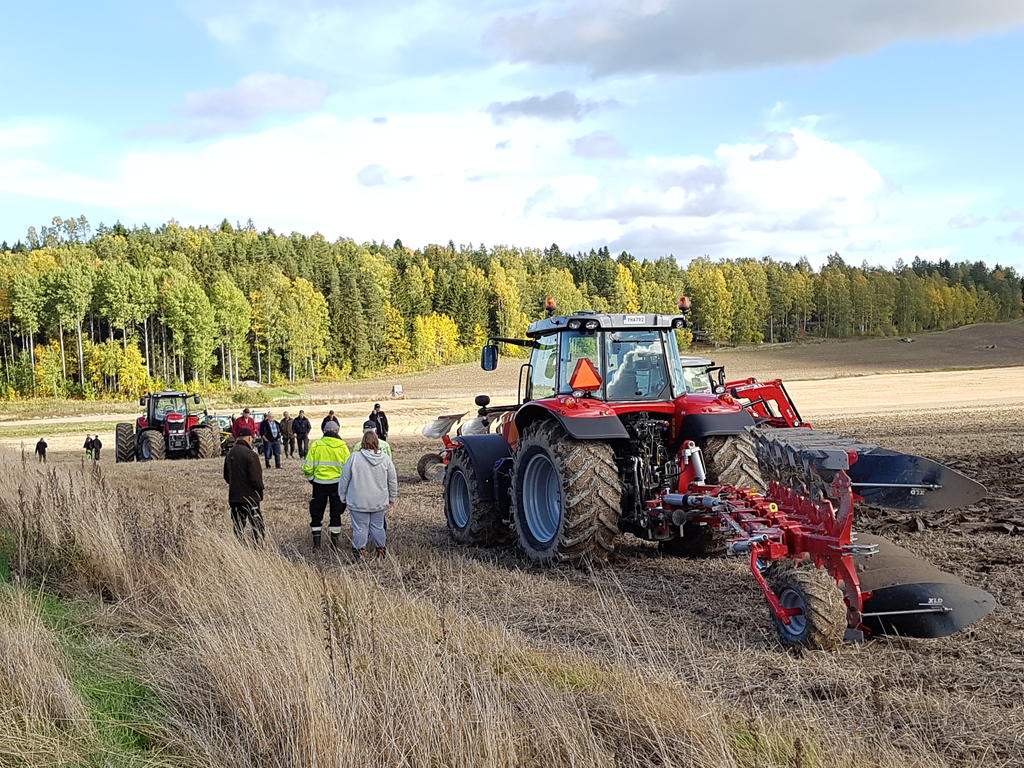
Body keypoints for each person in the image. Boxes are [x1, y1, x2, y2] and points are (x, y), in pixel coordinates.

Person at [339, 430, 397, 561]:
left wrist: (342, 494)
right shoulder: (385, 458)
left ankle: (359, 552)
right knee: (378, 527)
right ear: (377, 442)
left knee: (360, 528)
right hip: (379, 501)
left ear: (362, 442)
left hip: (358, 501)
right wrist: (392, 497)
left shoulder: (354, 457)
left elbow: (344, 478)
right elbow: (392, 480)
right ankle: (381, 550)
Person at [302, 420, 350, 549]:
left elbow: (307, 467)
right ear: (337, 431)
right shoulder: (342, 447)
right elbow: (348, 468)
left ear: (324, 431)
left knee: (316, 514)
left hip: (319, 484)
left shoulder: (316, 445)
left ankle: (316, 545)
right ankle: (334, 545)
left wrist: (312, 479)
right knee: (336, 514)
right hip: (337, 485)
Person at [223, 427, 265, 541]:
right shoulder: (251, 455)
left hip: (235, 498)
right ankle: (259, 546)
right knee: (257, 525)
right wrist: (260, 491)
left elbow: (226, 477)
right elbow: (256, 479)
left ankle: (239, 547)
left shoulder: (229, 454)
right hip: (251, 498)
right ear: (249, 438)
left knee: (238, 527)